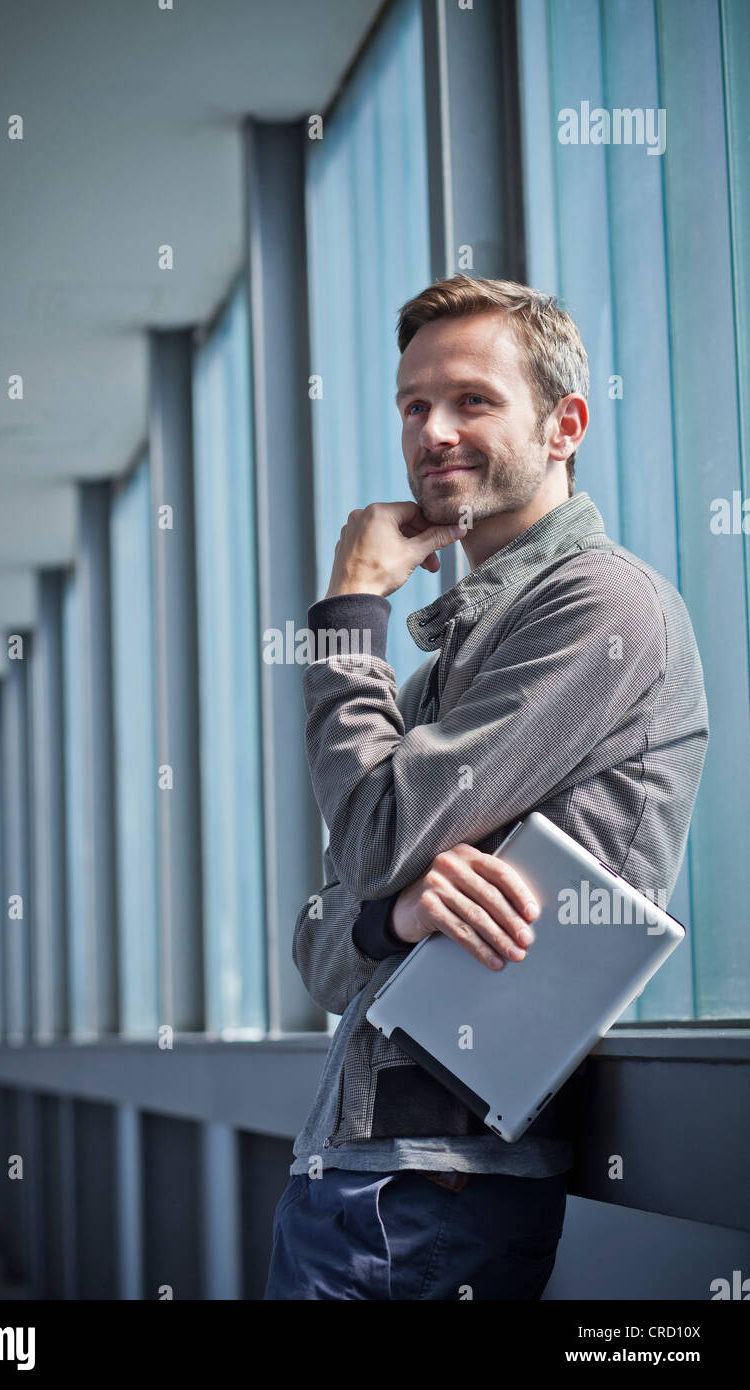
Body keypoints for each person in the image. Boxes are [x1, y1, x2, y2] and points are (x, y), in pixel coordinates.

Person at [263, 274, 708, 1300]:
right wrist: (394, 918)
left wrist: (349, 608)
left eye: (471, 399)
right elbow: (321, 942)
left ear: (565, 427)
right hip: (350, 1174)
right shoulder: (434, 675)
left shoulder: (602, 604)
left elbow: (370, 842)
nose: (432, 431)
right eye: (412, 405)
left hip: (439, 1193)